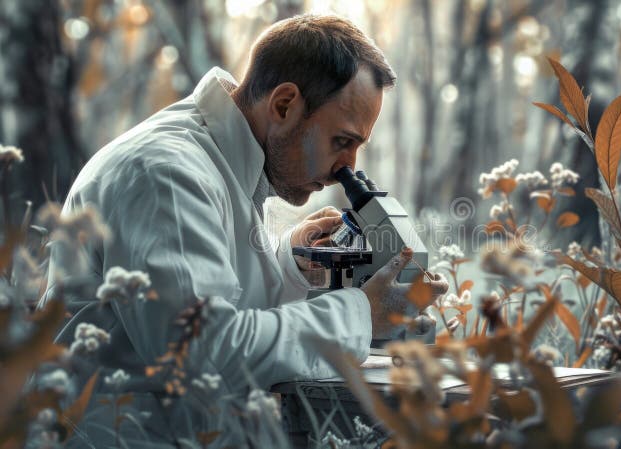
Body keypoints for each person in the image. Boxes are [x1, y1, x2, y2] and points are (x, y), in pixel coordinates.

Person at [40, 14, 448, 447]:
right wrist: (361, 314)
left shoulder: (218, 162)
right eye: (342, 141)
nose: (347, 168)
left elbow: (210, 302)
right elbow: (202, 354)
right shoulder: (167, 173)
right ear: (284, 105)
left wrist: (291, 266)